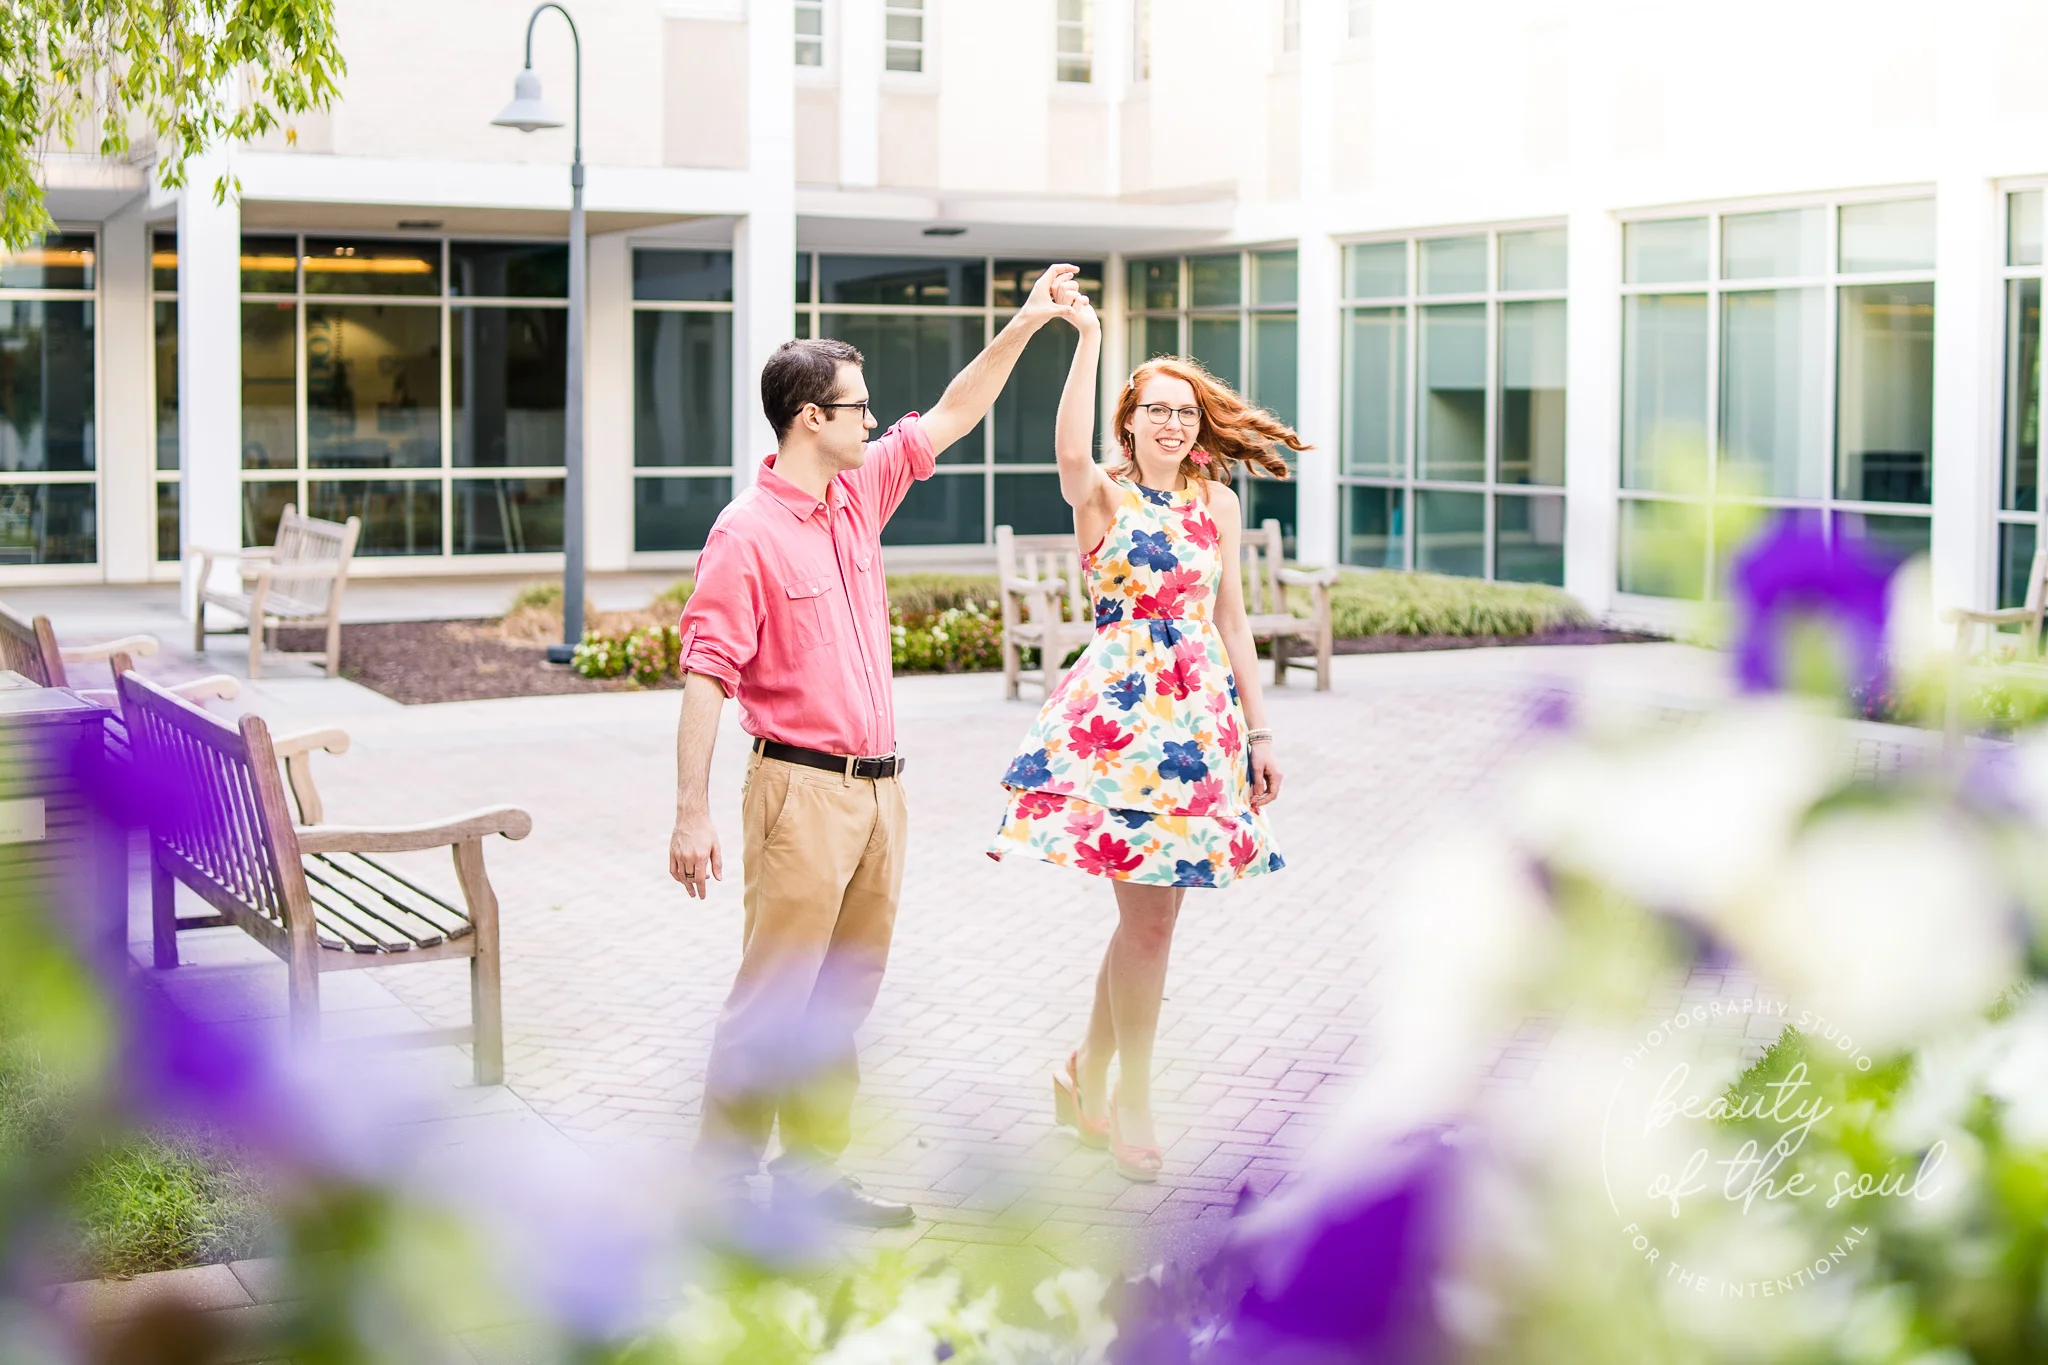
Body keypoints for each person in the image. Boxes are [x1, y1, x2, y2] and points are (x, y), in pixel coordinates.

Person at [670, 264, 1082, 1227]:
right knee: (774, 998)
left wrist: (1026, 324)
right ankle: (719, 1193)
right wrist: (691, 811)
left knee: (841, 998)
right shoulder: (744, 534)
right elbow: (705, 672)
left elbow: (955, 410)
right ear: (810, 417)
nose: (873, 419)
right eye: (857, 407)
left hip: (879, 793)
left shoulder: (858, 494)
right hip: (799, 792)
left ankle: (811, 1177)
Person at [987, 288, 1302, 1183]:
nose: (1172, 422)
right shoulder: (1101, 495)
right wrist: (1086, 335)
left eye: (1185, 412)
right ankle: (1132, 1096)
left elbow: (1232, 622)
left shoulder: (1217, 504)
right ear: (1128, 423)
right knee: (1149, 921)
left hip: (1197, 727)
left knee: (1149, 921)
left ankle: (1087, 1070)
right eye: (1156, 409)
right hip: (1122, 729)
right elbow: (1067, 450)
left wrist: (1261, 732)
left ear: (1197, 428)